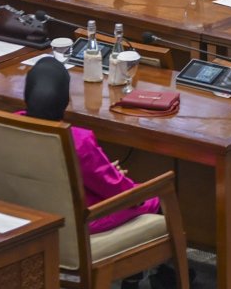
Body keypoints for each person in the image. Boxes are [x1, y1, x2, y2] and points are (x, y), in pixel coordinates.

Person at [21, 58, 160, 231]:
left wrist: (107, 171)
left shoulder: (6, 125)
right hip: (76, 220)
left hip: (24, 212)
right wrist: (116, 178)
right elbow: (118, 191)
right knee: (151, 198)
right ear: (65, 99)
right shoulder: (76, 140)